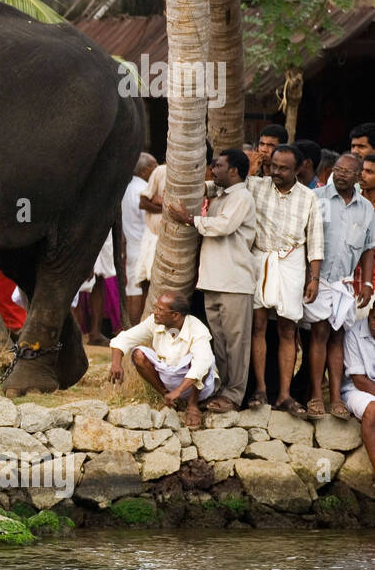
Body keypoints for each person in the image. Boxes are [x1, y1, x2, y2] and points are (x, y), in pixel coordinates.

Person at [167, 148, 255, 413]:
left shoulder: (242, 197)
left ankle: (234, 395)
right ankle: (219, 390)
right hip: (212, 281)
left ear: (235, 171)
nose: (213, 170)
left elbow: (223, 226)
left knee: (236, 344)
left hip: (235, 282)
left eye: (218, 166)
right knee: (218, 342)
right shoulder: (220, 193)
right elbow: (200, 187)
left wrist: (189, 219)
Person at [245, 144, 324, 415]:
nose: (277, 172)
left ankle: (285, 395)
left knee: (288, 329)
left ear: (299, 169)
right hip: (260, 258)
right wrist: (254, 167)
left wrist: (313, 278)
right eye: (275, 166)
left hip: (291, 262)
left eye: (284, 168)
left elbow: (315, 241)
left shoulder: (308, 197)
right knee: (258, 325)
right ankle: (260, 390)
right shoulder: (255, 186)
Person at [302, 153, 375, 415]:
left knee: (338, 337)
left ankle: (335, 398)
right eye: (338, 170)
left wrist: (366, 283)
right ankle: (315, 396)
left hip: (344, 284)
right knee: (319, 333)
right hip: (319, 280)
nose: (341, 174)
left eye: (347, 172)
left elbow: (368, 249)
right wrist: (311, 278)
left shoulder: (366, 208)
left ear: (358, 177)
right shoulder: (318, 199)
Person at [109, 291, 217, 428]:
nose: (155, 312)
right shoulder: (154, 322)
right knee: (138, 354)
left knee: (204, 361)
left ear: (175, 315)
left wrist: (178, 391)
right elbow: (125, 338)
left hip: (196, 387)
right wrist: (116, 363)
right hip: (170, 381)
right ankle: (169, 398)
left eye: (160, 309)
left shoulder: (197, 329)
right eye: (156, 308)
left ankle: (192, 405)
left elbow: (202, 364)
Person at [340, 315, 375, 477]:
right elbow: (360, 381)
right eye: (374, 318)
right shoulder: (354, 333)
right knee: (372, 412)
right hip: (356, 390)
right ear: (370, 314)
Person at [121, 153, 154, 324]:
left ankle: (131, 328)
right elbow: (148, 219)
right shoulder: (143, 189)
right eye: (153, 166)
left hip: (131, 244)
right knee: (139, 291)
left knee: (132, 289)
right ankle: (135, 328)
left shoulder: (127, 188)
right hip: (143, 244)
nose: (155, 171)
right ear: (144, 170)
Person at [135, 159, 167, 291]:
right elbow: (143, 202)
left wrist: (162, 202)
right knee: (147, 281)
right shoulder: (161, 171)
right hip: (154, 236)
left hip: (176, 241)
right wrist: (168, 210)